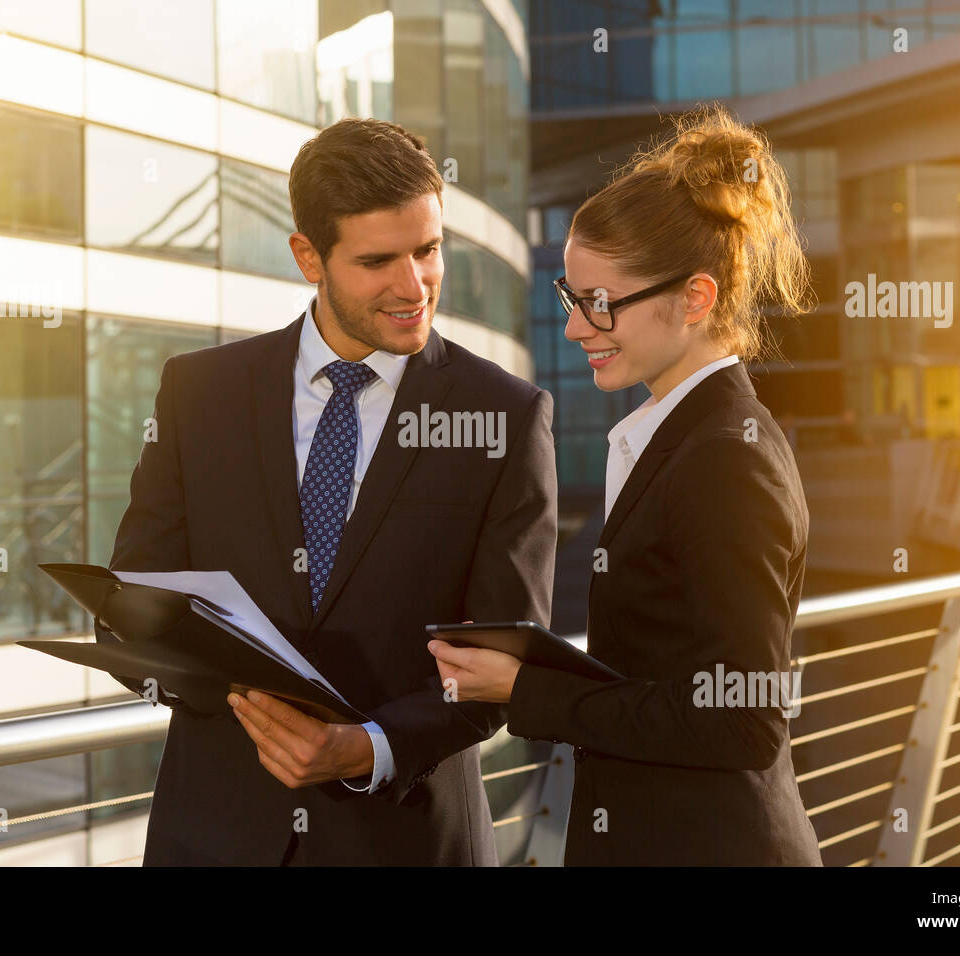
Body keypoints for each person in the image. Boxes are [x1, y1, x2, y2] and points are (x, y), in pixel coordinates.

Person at [97, 117, 557, 865]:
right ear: (308, 256)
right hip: (214, 839)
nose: (414, 286)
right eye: (378, 261)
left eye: (427, 250)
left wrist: (369, 746)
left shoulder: (505, 415)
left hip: (406, 844)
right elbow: (135, 606)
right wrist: (215, 679)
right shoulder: (199, 393)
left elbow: (502, 666)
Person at [429, 103, 823, 865]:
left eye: (601, 304)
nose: (576, 327)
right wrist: (531, 665)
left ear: (696, 299)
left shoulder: (725, 459)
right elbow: (666, 665)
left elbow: (744, 720)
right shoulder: (681, 436)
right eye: (571, 298)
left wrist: (526, 690)